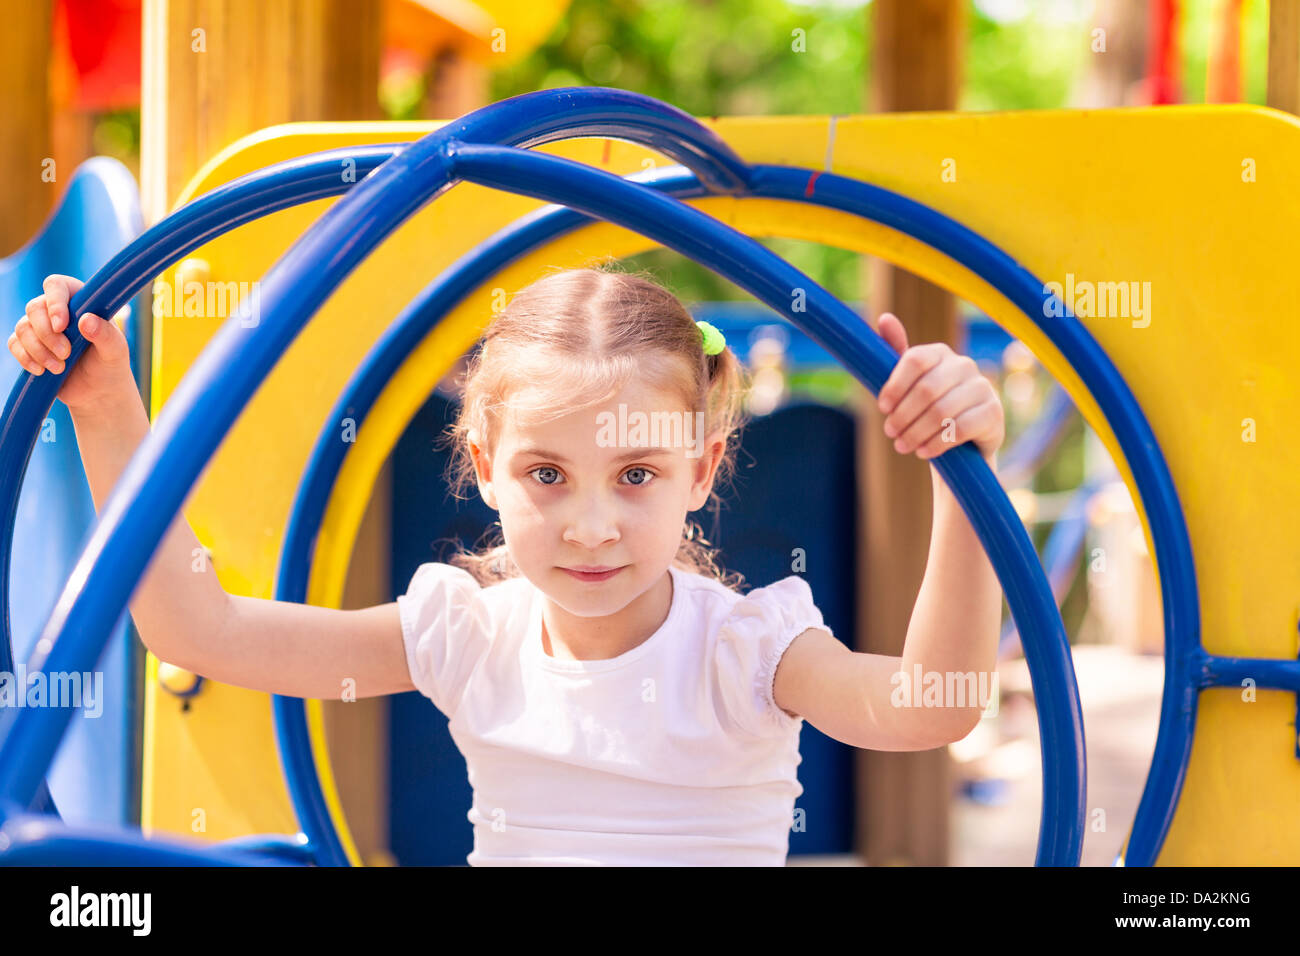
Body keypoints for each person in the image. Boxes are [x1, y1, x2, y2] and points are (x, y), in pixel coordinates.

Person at [8, 264, 1004, 866]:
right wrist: (104, 412)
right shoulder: (468, 633)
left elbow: (932, 704)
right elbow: (199, 630)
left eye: (637, 474)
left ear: (700, 470)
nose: (590, 523)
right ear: (483, 467)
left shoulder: (748, 650)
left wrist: (966, 485)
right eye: (546, 472)